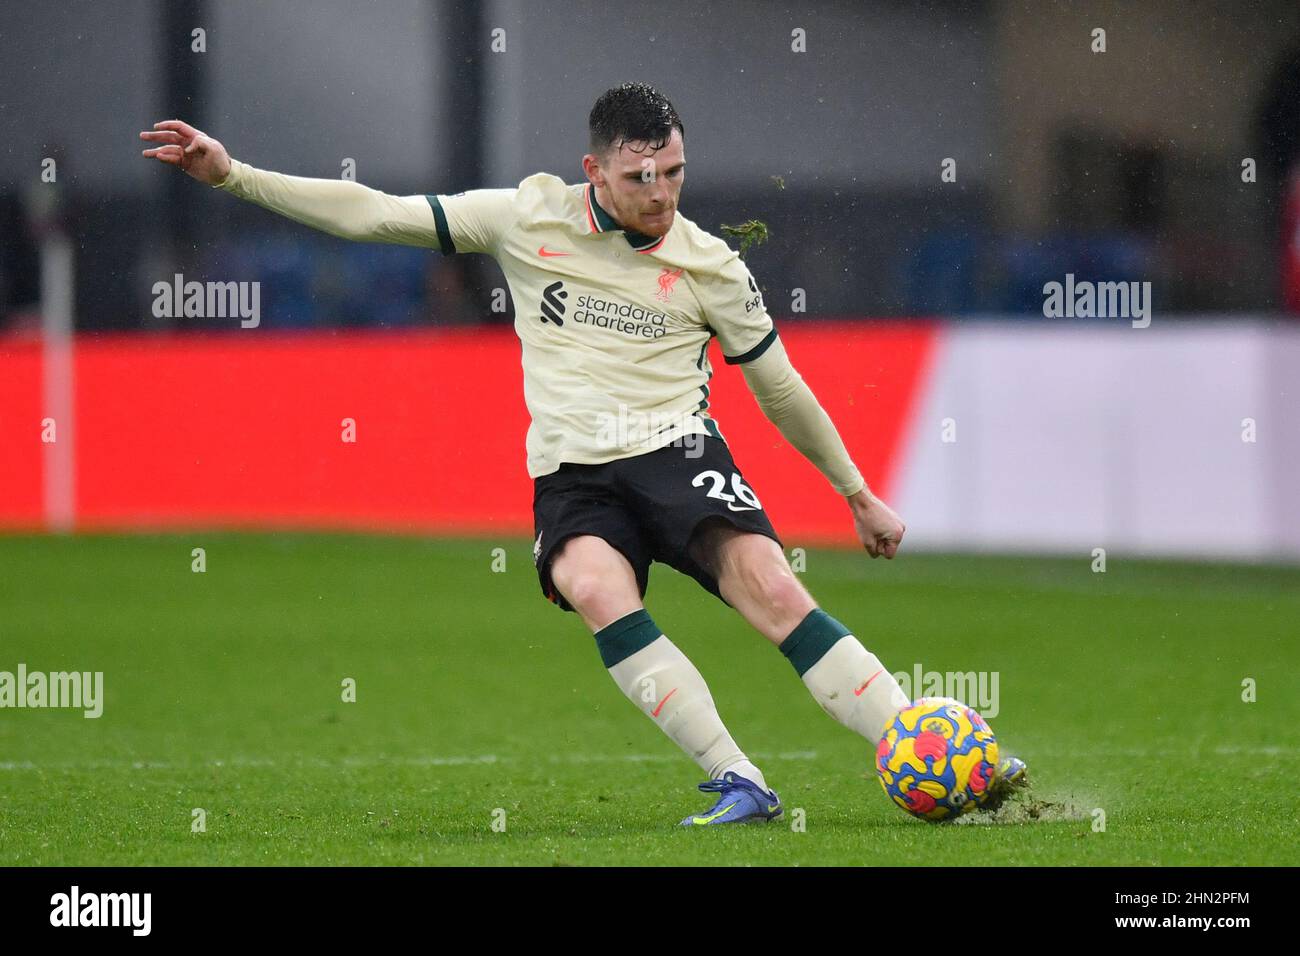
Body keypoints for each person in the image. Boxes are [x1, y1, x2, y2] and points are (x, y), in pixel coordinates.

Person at [141, 82, 1024, 825]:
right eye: (641, 176)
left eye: (674, 172)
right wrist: (235, 176)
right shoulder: (528, 218)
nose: (661, 193)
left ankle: (939, 751)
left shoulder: (713, 266)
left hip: (677, 448)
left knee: (770, 585)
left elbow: (780, 388)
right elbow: (378, 214)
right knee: (595, 587)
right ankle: (741, 779)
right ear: (593, 169)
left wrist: (856, 492)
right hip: (573, 470)